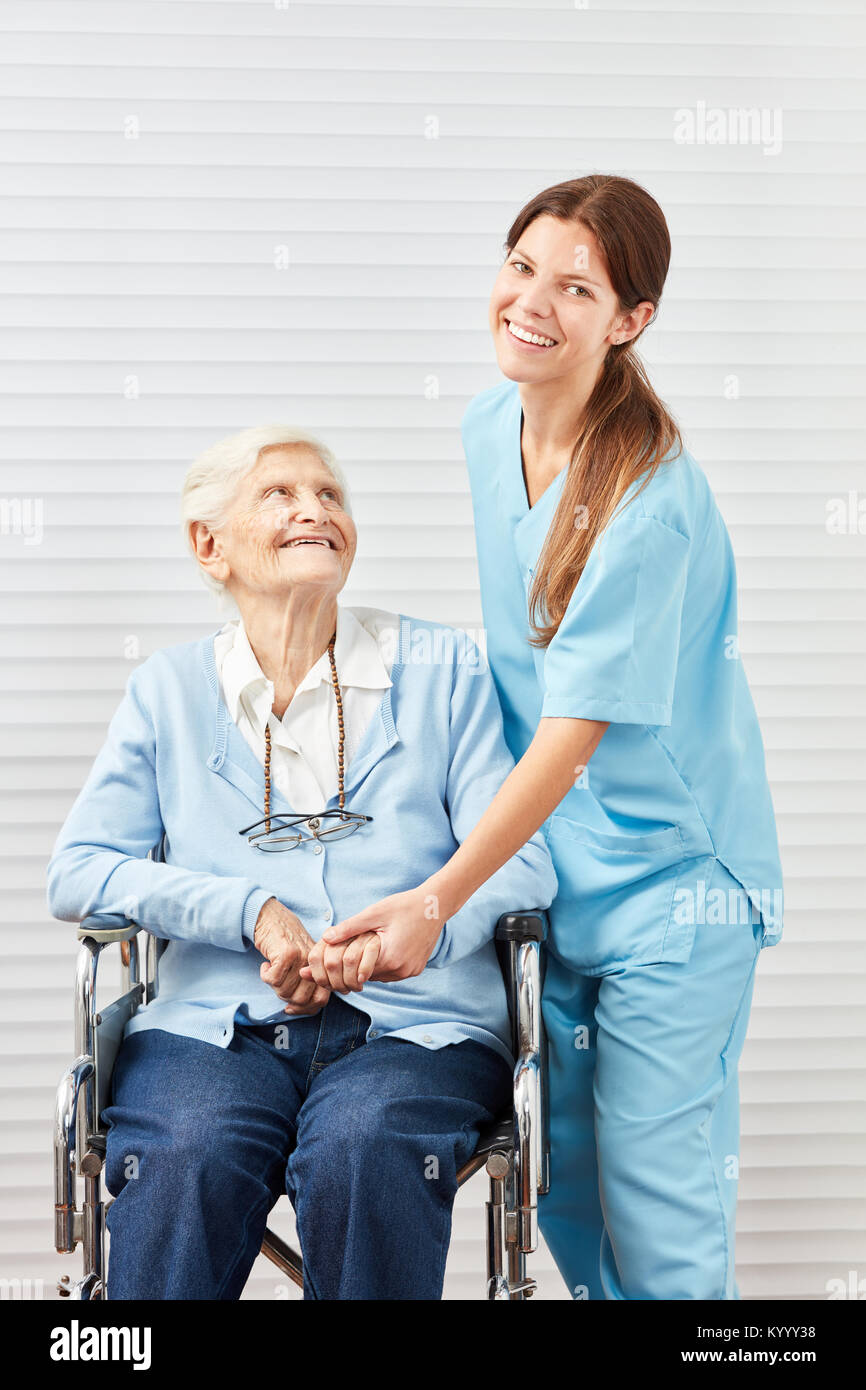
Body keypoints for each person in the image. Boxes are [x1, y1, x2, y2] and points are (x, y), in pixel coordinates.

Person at [315, 175, 785, 1300]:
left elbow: (570, 728)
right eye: (521, 266)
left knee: (653, 1196)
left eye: (576, 287)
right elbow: (517, 665)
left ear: (629, 320)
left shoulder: (649, 497)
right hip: (552, 866)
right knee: (564, 1185)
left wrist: (438, 896)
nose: (532, 301)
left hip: (674, 884)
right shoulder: (491, 423)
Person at [45, 424, 557, 1300]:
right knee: (186, 1153)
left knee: (366, 1146)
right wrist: (245, 912)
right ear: (210, 546)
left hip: (415, 1027)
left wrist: (427, 923)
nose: (313, 510)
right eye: (278, 495)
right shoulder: (166, 692)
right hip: (213, 1030)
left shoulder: (443, 670)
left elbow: (525, 863)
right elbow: (80, 869)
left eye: (329, 496)